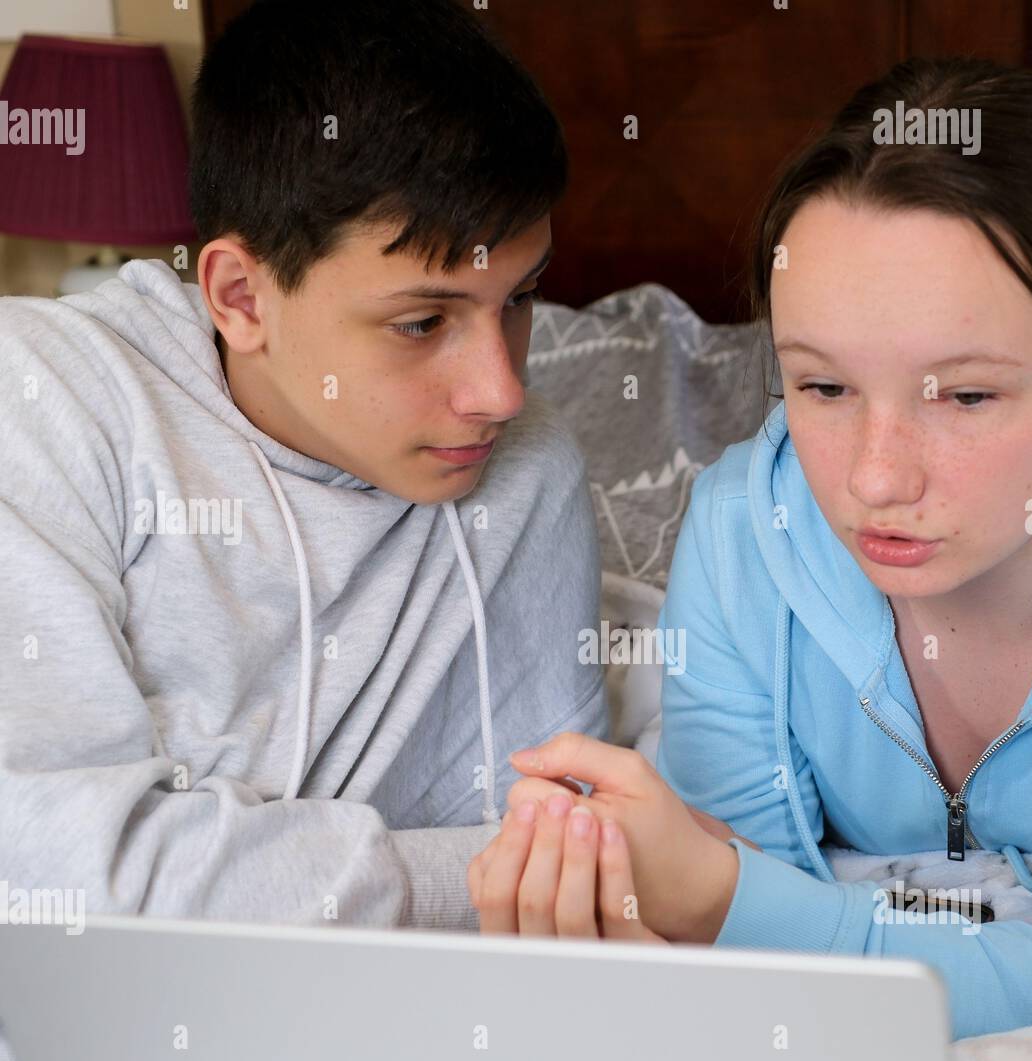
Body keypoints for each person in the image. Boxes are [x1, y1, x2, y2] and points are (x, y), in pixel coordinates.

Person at [469, 57, 1032, 1040]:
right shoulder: (740, 536)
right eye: (823, 387)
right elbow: (749, 885)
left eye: (965, 395)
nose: (873, 481)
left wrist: (719, 904)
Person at [0, 0, 607, 932]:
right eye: (422, 322)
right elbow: (56, 887)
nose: (500, 391)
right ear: (241, 296)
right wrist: (443, 878)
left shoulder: (525, 471)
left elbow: (554, 868)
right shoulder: (43, 401)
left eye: (520, 298)